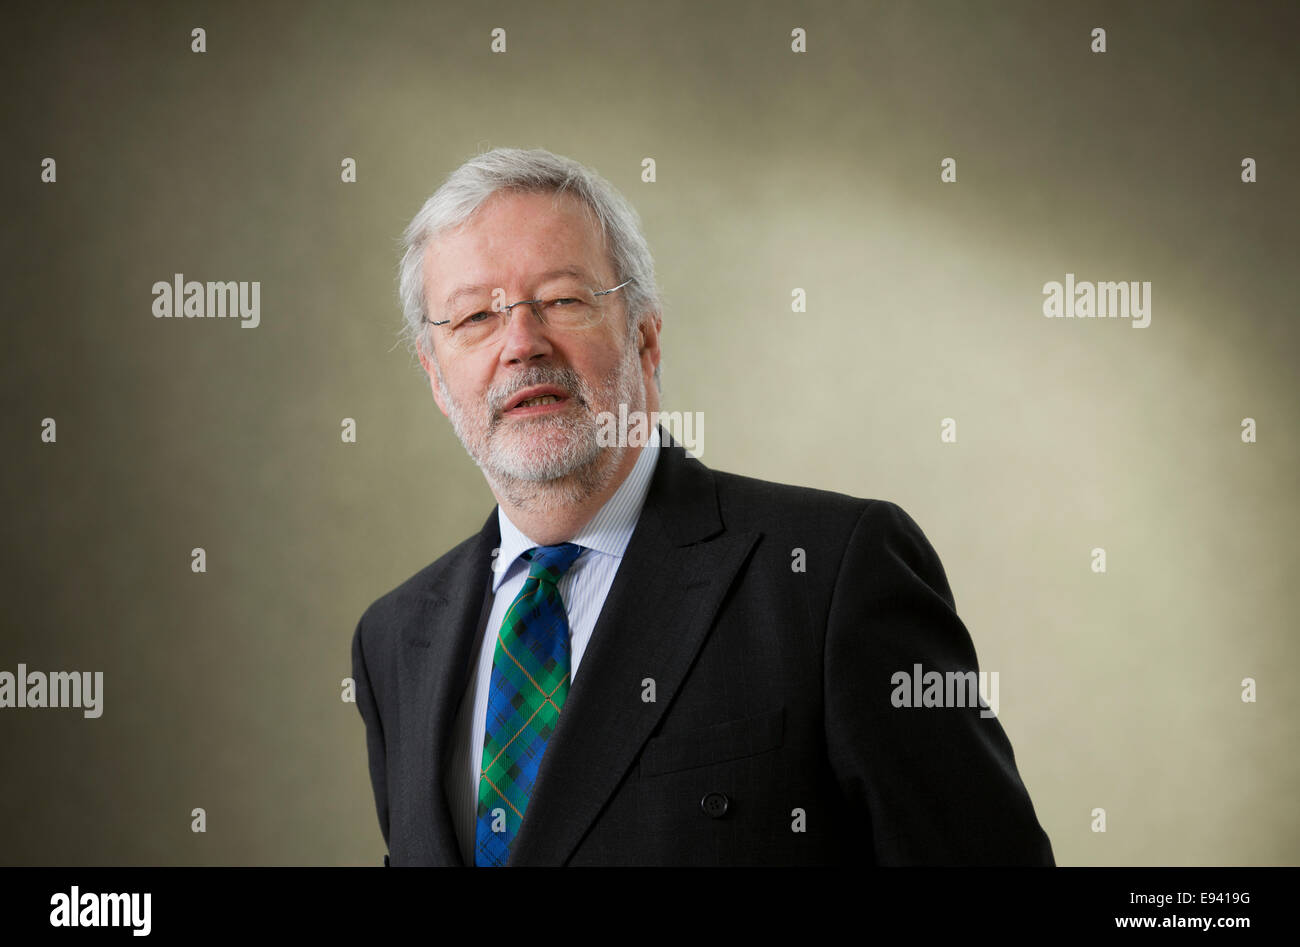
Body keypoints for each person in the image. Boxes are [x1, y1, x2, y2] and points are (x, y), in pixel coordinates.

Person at [350, 147, 1055, 866]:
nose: (522, 344)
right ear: (437, 378)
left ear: (646, 339)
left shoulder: (830, 575)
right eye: (474, 317)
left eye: (563, 300)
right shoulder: (394, 641)